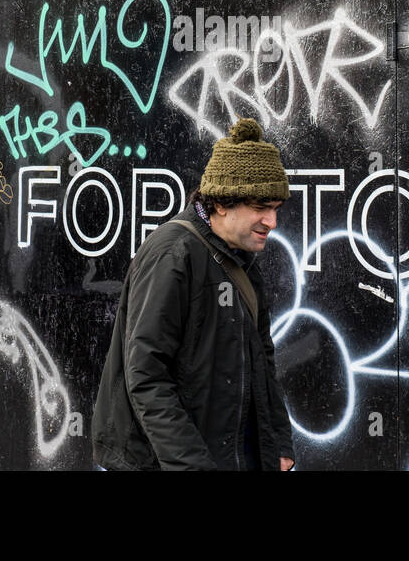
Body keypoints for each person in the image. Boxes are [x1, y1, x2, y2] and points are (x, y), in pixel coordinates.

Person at [91, 117, 296, 471]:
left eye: (276, 209)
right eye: (260, 207)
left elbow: (262, 358)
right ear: (221, 204)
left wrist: (277, 442)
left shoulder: (244, 259)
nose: (272, 222)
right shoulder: (173, 255)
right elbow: (146, 376)